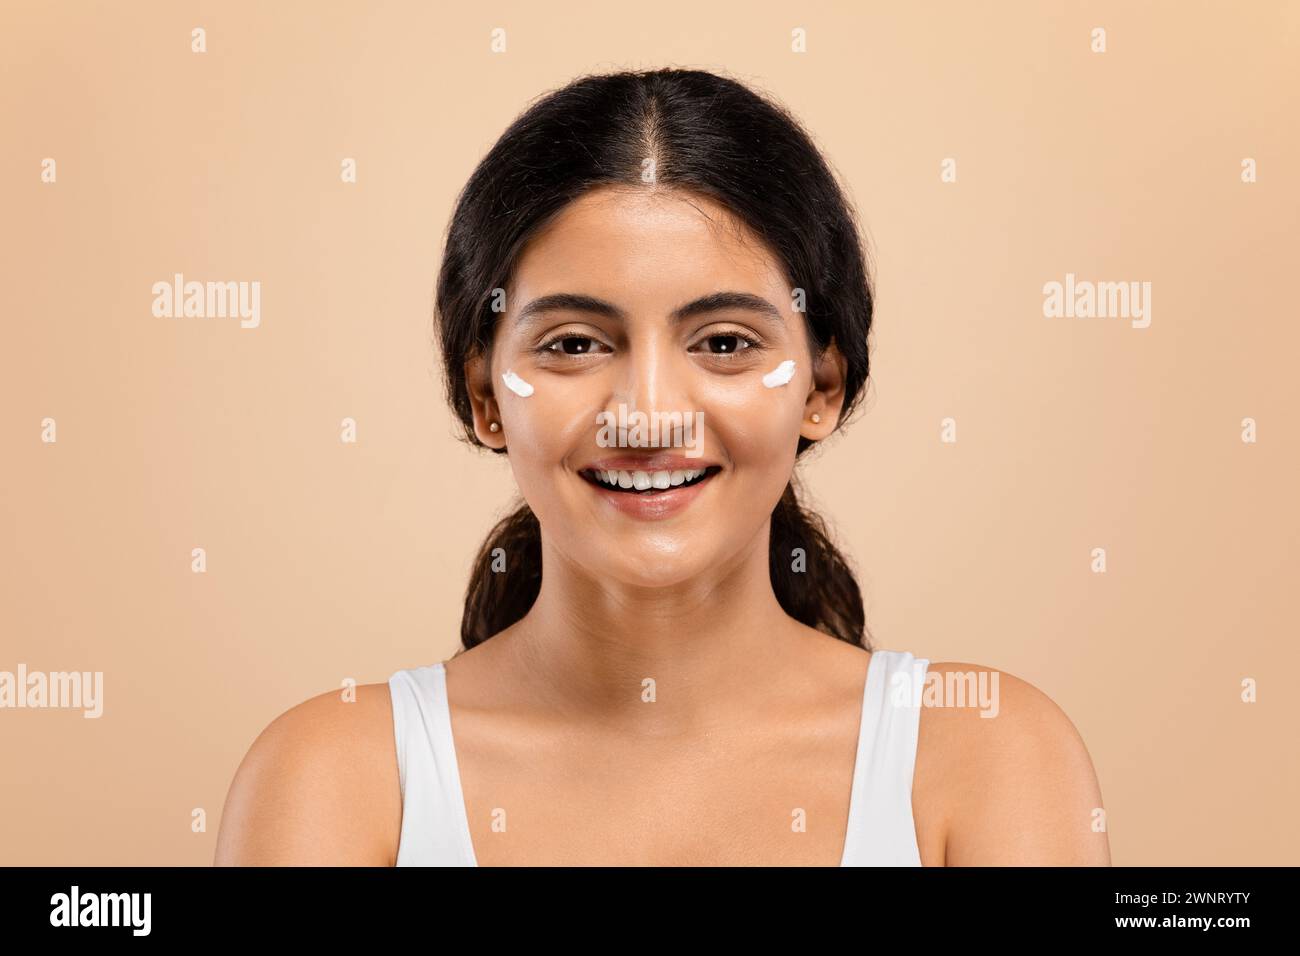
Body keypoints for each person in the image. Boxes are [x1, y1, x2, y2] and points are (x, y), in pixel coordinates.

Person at [215, 68, 1109, 866]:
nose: (647, 415)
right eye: (573, 343)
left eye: (723, 342)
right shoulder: (336, 778)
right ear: (485, 393)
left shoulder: (984, 758)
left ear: (822, 387)